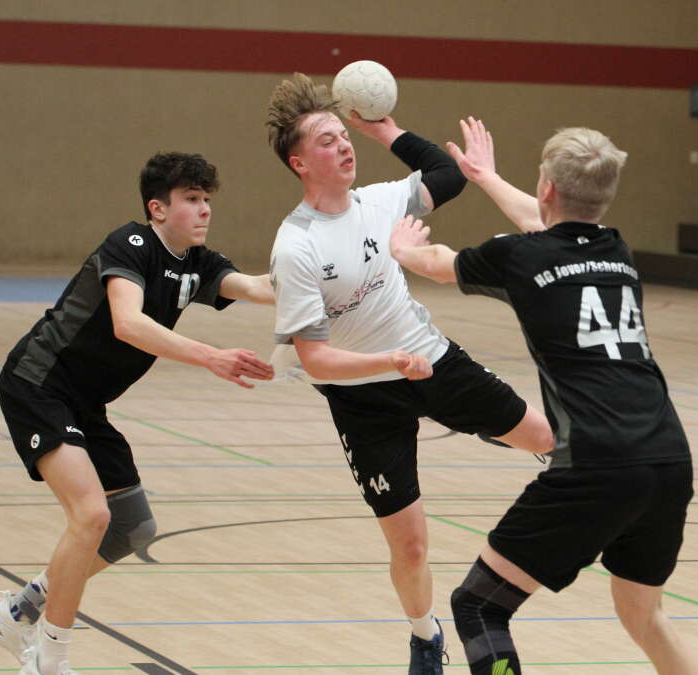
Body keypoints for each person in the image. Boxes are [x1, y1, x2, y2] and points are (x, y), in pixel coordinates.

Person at [389, 119, 698, 675]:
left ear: (547, 187)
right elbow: (549, 227)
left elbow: (438, 265)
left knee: (479, 606)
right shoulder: (617, 251)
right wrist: (485, 177)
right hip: (669, 457)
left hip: (597, 463)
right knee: (644, 615)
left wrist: (403, 246)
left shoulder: (518, 257)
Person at [263, 75, 554, 673]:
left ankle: (596, 505)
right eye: (327, 140)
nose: (344, 146)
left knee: (549, 439)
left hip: (434, 361)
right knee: (411, 544)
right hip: (362, 398)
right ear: (299, 162)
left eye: (346, 136)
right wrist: (387, 363)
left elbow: (445, 174)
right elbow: (315, 359)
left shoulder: (381, 199)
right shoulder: (296, 247)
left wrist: (385, 129)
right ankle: (426, 637)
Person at [0, 152, 277, 675]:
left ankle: (18, 611)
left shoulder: (196, 263)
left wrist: (334, 280)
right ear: (157, 208)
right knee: (92, 515)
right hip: (39, 384)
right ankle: (50, 658)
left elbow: (255, 286)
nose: (204, 210)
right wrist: (212, 356)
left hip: (84, 403)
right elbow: (128, 324)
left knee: (131, 526)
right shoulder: (131, 244)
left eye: (207, 200)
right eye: (191, 199)